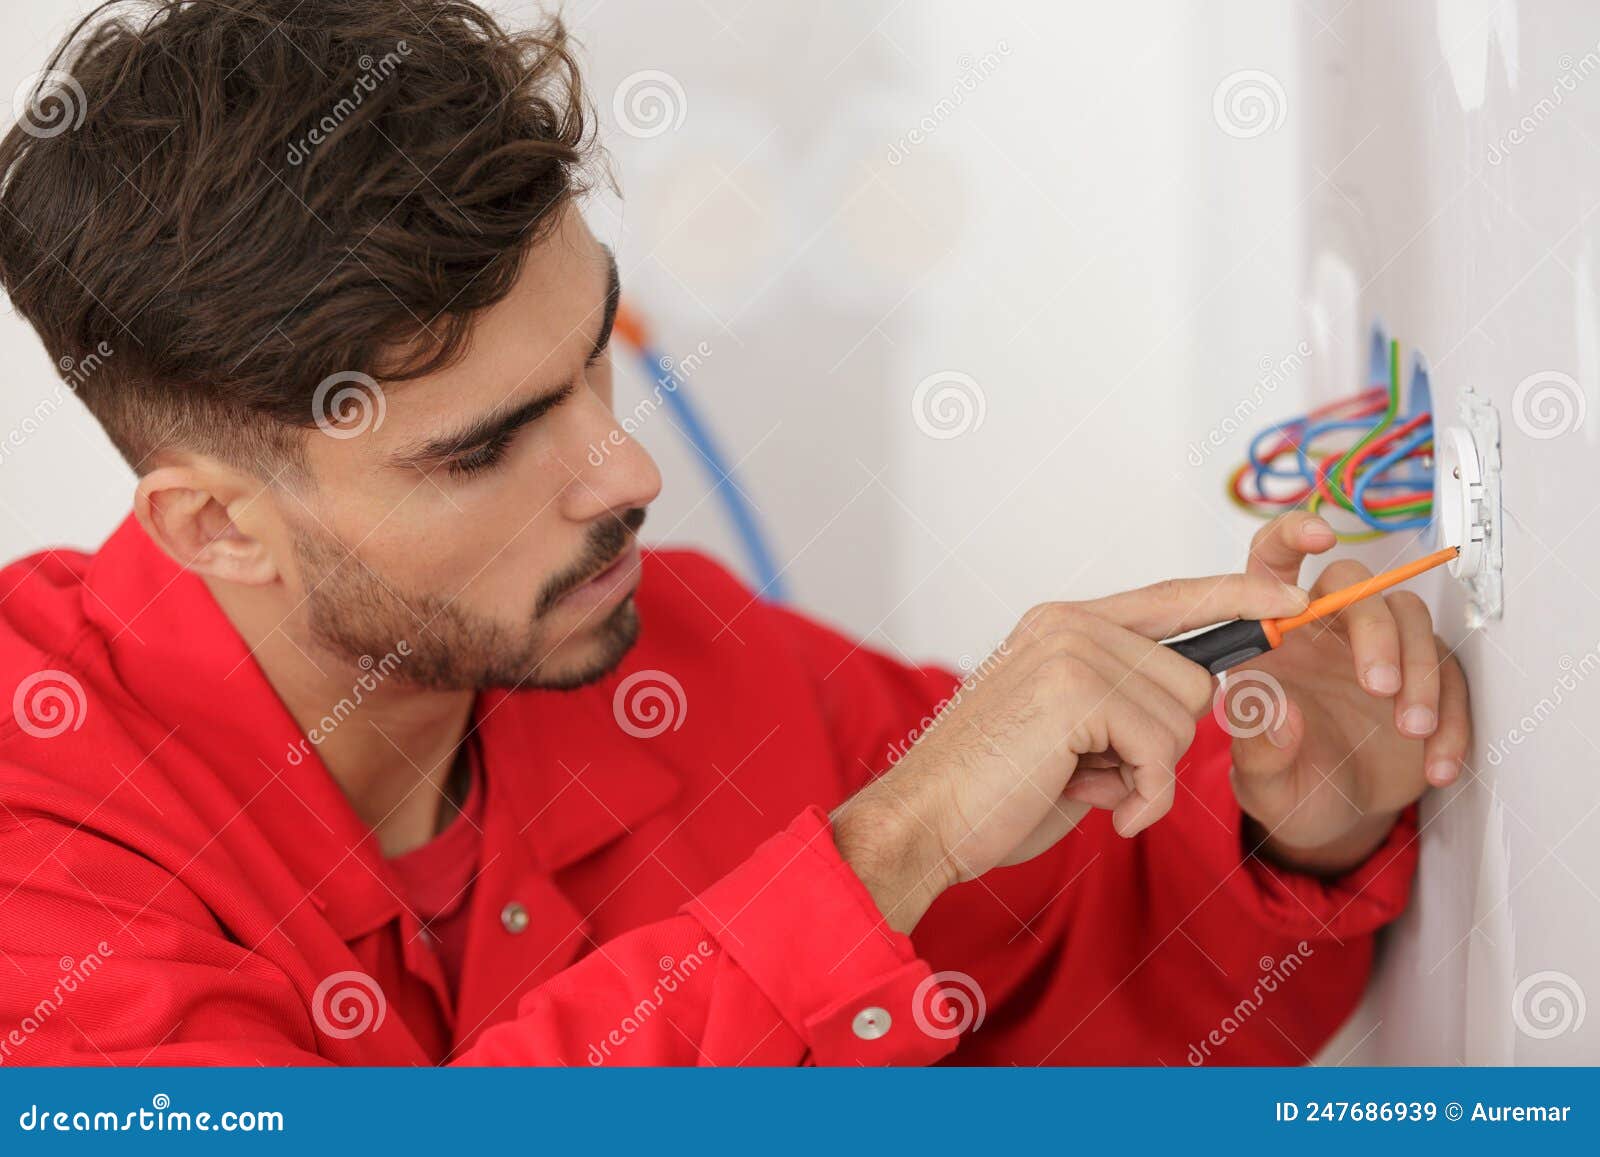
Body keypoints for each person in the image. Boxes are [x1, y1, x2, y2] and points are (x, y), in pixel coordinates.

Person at [0, 0, 1467, 1067]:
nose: (624, 470)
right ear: (216, 524)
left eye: (591, 359)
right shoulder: (33, 826)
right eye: (486, 448)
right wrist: (891, 842)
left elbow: (1071, 992)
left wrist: (1296, 816)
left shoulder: (683, 656)